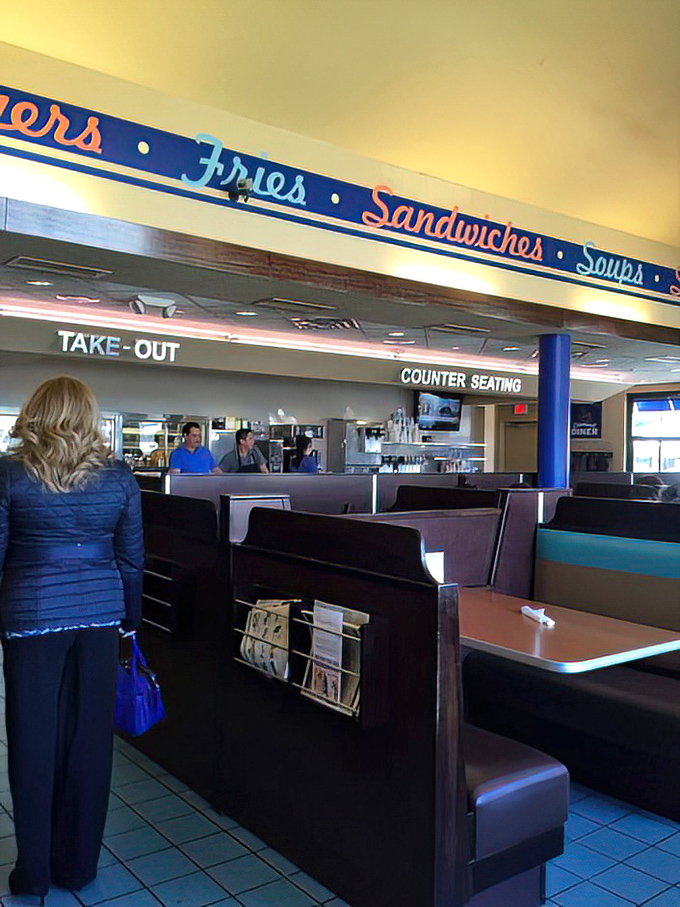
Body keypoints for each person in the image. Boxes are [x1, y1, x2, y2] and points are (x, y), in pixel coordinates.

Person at [0, 375, 144, 902]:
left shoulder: (9, 473)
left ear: (37, 412)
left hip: (30, 616)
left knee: (32, 741)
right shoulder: (120, 477)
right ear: (88, 416)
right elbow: (131, 560)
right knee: (88, 743)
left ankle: (33, 873)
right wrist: (130, 619)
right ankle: (78, 865)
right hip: (101, 615)